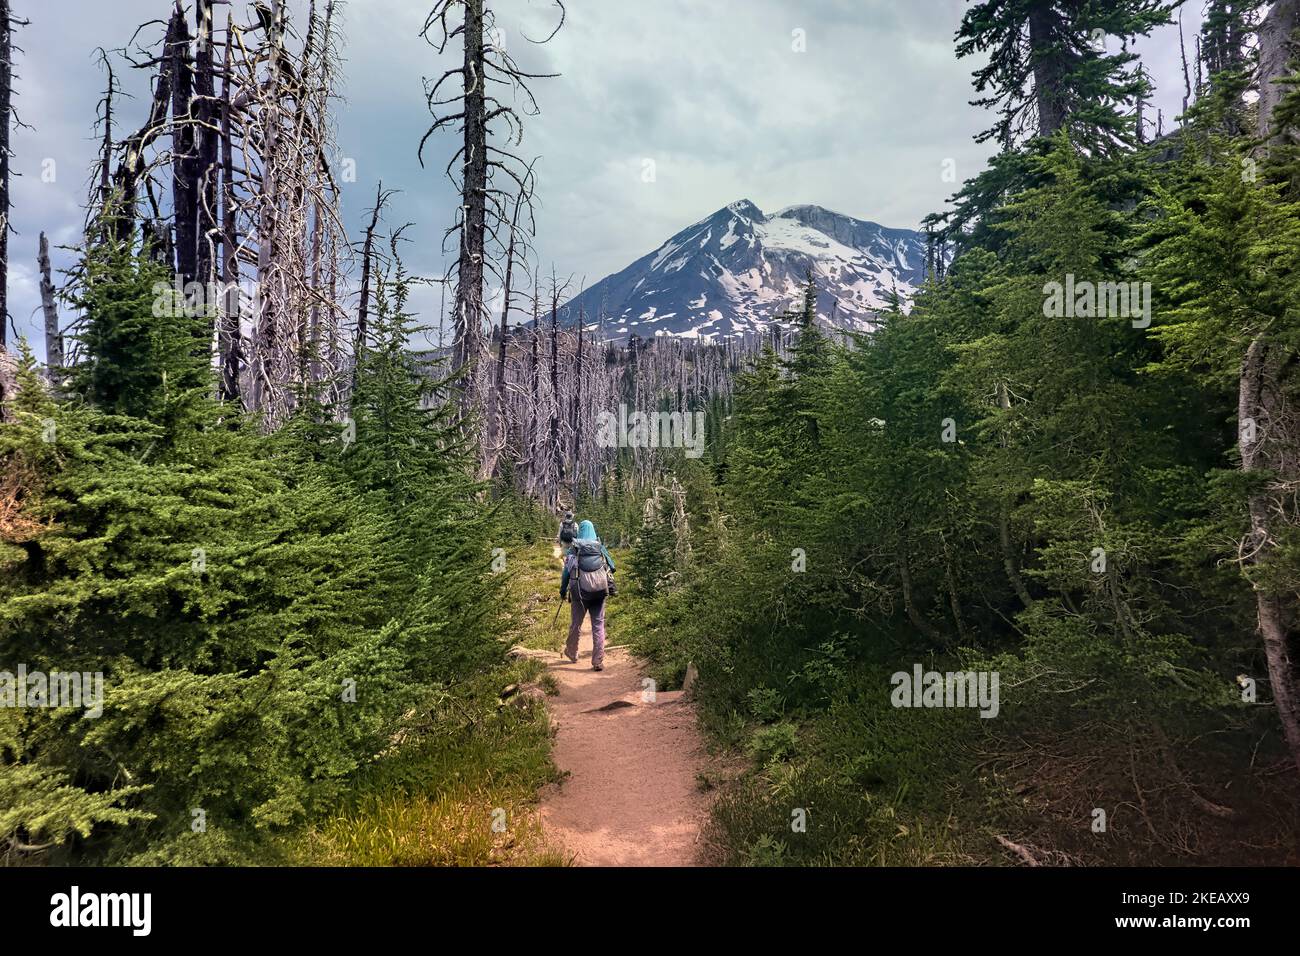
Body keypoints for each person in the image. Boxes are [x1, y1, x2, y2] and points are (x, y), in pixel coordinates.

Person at [559, 519, 616, 671]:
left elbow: (566, 573)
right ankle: (597, 661)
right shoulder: (599, 547)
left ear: (580, 531)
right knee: (598, 625)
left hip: (579, 594)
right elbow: (613, 566)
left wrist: (563, 590)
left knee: (576, 624)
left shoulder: (574, 549)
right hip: (599, 592)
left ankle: (572, 653)